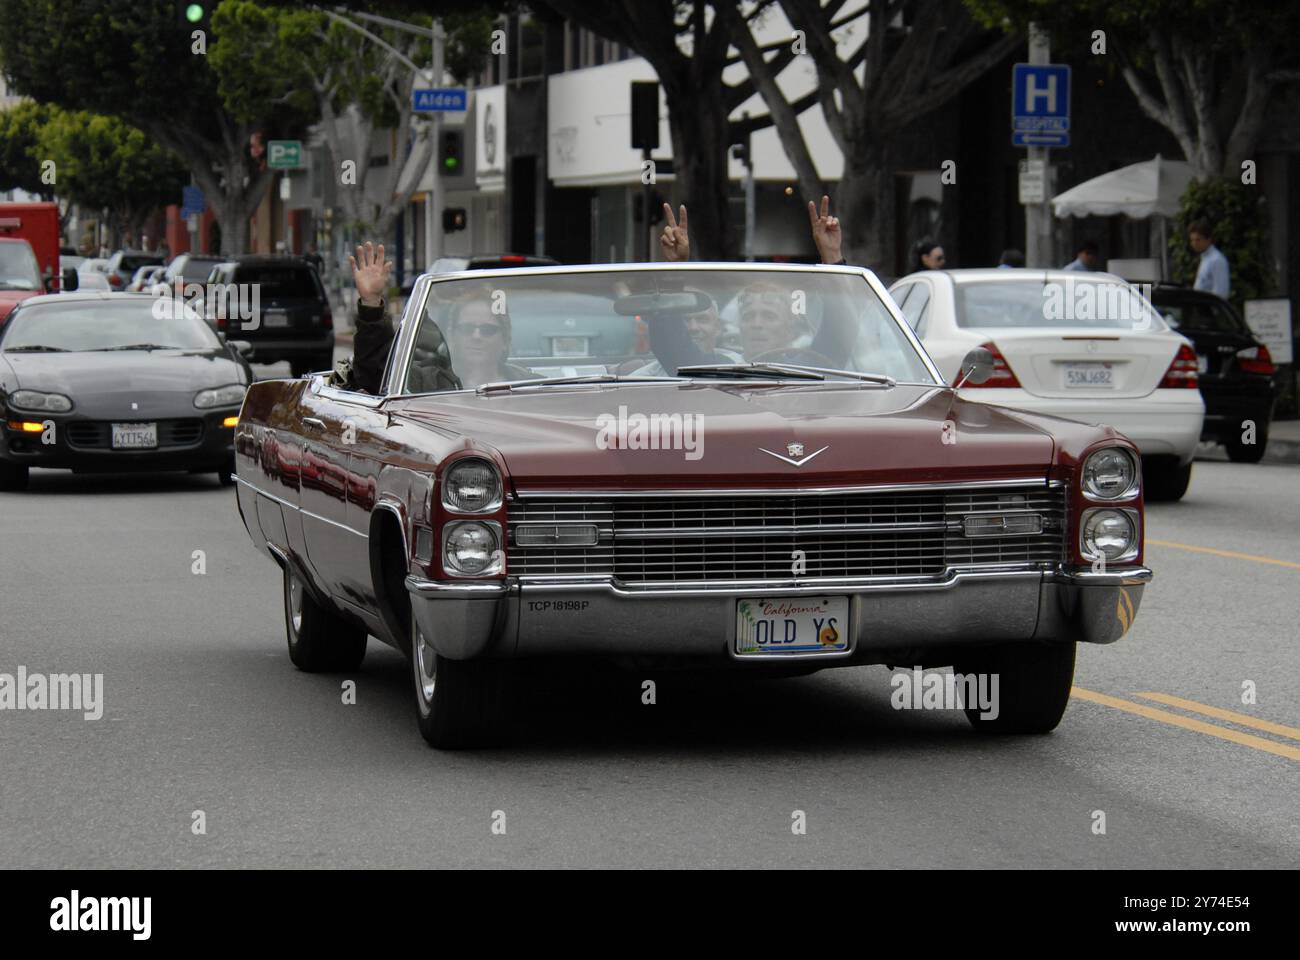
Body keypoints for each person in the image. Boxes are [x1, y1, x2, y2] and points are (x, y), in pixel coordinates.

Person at [1189, 220, 1230, 299]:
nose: (1194, 244)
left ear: (1208, 239)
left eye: (1198, 240)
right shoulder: (1204, 259)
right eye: (1192, 240)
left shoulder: (1217, 260)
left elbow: (1221, 294)